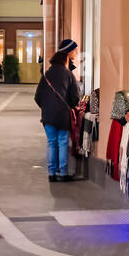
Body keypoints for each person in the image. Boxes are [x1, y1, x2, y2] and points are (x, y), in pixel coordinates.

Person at [34, 39, 81, 182]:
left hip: (48, 116)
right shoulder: (68, 74)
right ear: (67, 54)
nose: (77, 53)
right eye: (75, 50)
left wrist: (47, 107)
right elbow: (75, 97)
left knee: (51, 142)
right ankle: (63, 173)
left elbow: (37, 97)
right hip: (63, 116)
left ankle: (51, 173)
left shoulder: (47, 74)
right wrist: (70, 106)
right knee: (62, 142)